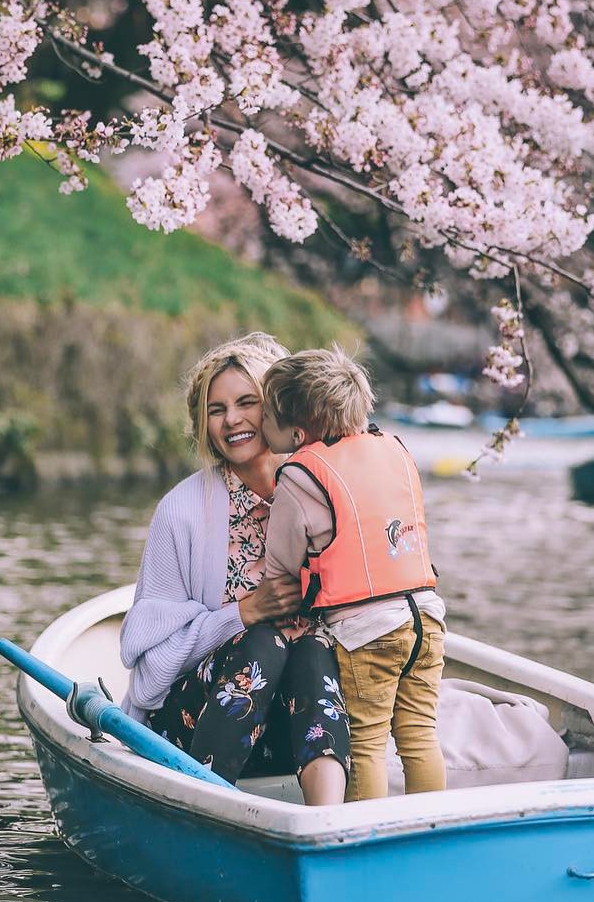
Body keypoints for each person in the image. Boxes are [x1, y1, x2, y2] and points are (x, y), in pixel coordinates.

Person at [119, 332, 350, 805]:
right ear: (201, 423)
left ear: (278, 410)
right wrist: (240, 615)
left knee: (309, 650)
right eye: (216, 409)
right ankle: (206, 812)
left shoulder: (324, 492)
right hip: (194, 731)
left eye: (248, 402)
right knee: (264, 639)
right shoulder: (180, 511)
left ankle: (327, 824)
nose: (233, 420)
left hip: (293, 735)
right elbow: (147, 677)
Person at [260, 347, 447, 803]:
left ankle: (366, 843)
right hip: (426, 616)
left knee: (365, 745)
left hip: (366, 631)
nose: (260, 425)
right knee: (420, 734)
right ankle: (432, 829)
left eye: (267, 417)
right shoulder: (395, 451)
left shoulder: (300, 476)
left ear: (297, 431)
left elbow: (280, 565)